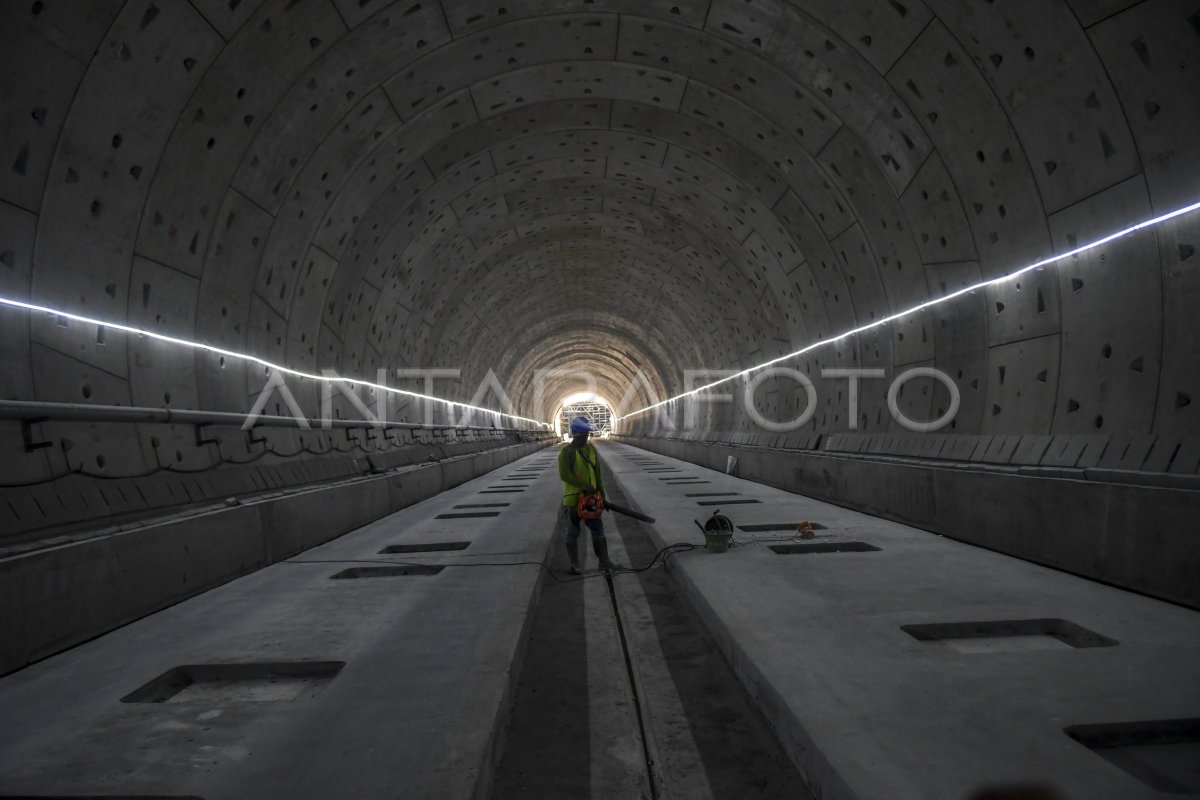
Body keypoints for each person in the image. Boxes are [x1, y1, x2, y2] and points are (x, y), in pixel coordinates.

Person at [558, 415, 617, 574]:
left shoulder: (591, 451)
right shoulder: (566, 452)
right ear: (573, 433)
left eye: (586, 434)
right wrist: (584, 485)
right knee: (572, 532)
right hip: (573, 502)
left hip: (591, 501)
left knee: (598, 531)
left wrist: (602, 497)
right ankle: (574, 565)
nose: (584, 437)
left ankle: (604, 562)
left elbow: (598, 476)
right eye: (581, 434)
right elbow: (564, 475)